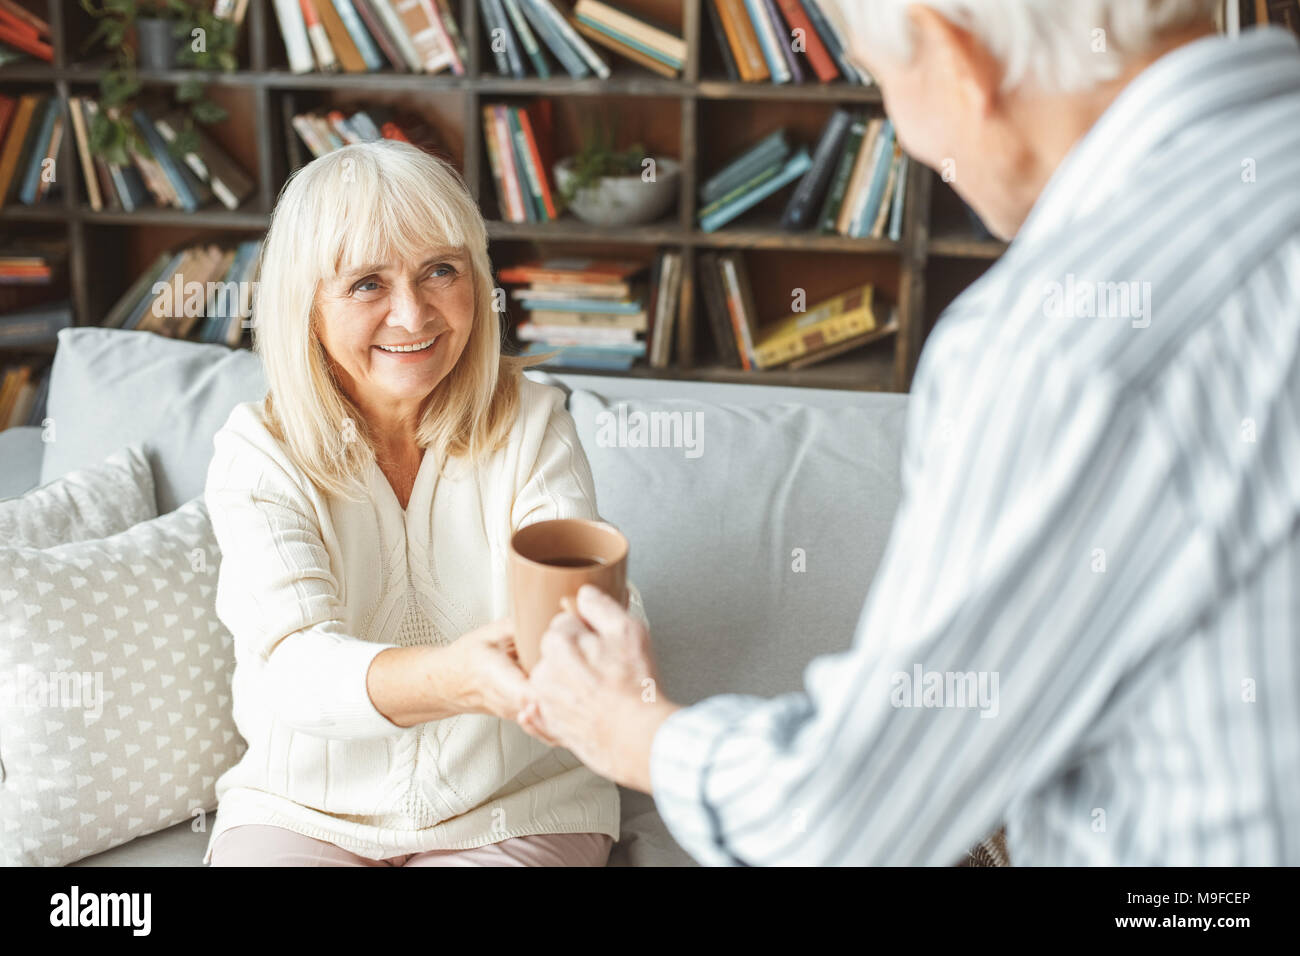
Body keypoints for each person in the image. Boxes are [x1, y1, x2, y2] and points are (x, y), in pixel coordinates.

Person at [518, 1, 1300, 865]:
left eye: (884, 81)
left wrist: (635, 732)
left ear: (952, 53)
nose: (909, 137)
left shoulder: (1062, 342)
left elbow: (846, 820)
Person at [203, 139, 641, 866]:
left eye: (441, 270)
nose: (414, 316)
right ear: (305, 306)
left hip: (516, 802)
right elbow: (294, 669)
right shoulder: (258, 454)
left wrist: (592, 635)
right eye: (367, 284)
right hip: (303, 810)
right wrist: (457, 677)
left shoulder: (534, 423)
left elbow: (574, 594)